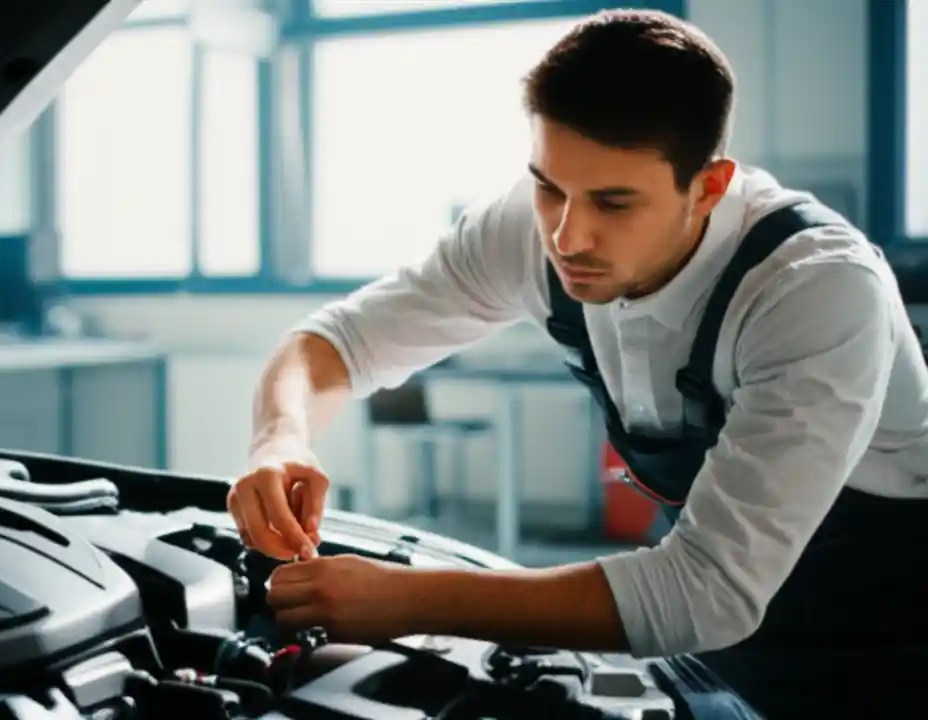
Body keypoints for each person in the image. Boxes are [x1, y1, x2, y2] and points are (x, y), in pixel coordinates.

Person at [226, 8, 928, 718]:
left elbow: (708, 590)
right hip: (706, 598)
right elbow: (339, 341)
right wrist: (278, 437)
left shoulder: (817, 289)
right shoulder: (529, 230)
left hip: (884, 631)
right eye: (549, 186)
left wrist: (406, 597)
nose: (568, 236)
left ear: (710, 187)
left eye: (614, 202)